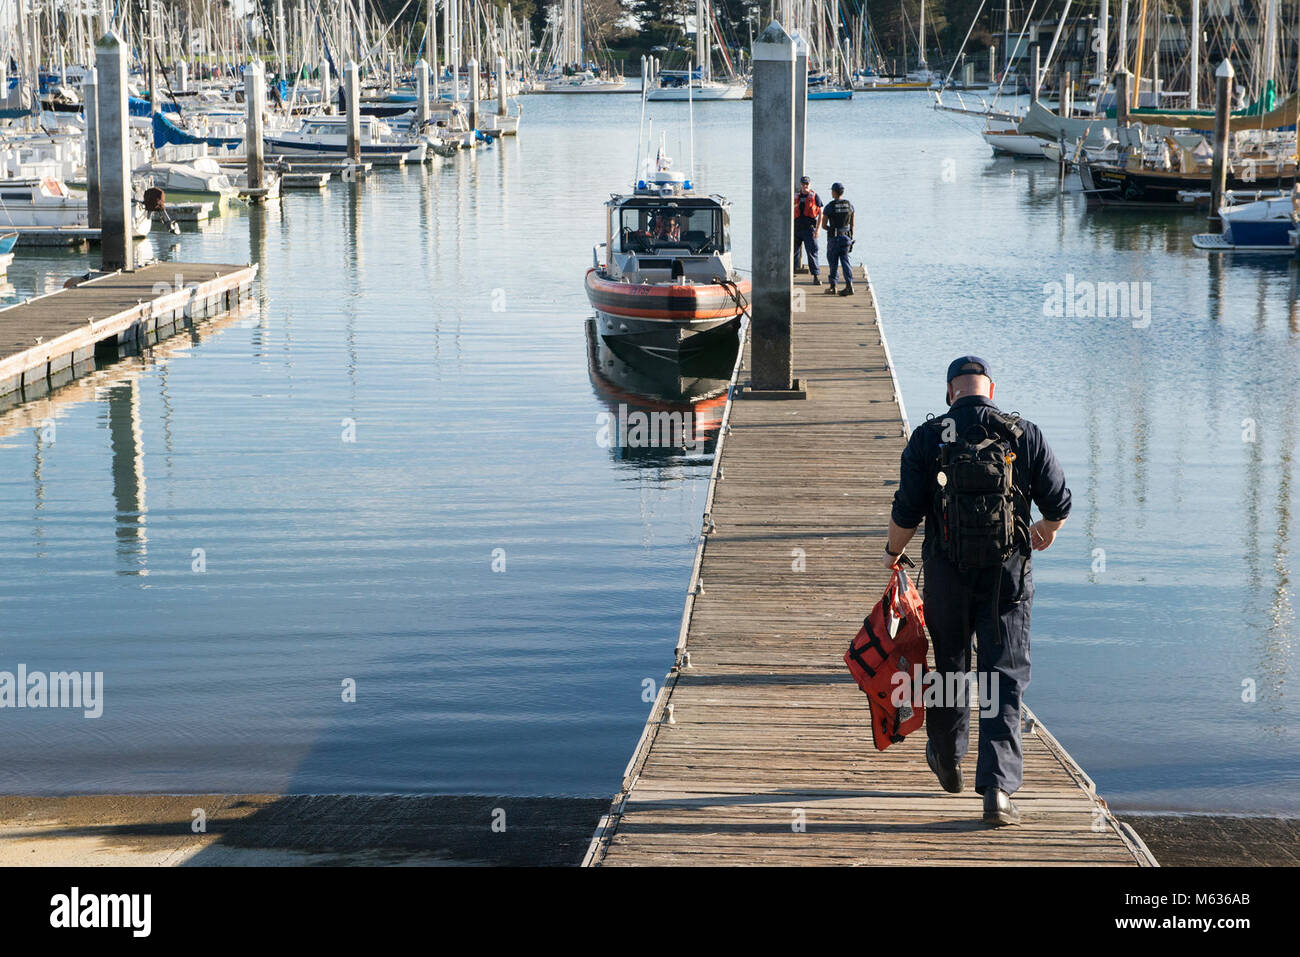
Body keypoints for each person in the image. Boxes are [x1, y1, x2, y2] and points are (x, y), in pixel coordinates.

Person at [883, 357, 1071, 827]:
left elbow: (907, 510)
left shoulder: (929, 437)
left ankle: (947, 757)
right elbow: (1058, 502)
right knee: (1002, 676)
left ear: (951, 392)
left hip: (947, 573)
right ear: (991, 389)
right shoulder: (1023, 434)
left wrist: (891, 553)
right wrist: (1046, 529)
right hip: (1007, 576)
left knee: (950, 666)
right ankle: (998, 792)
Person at [821, 183, 855, 297]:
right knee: (845, 262)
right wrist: (850, 237)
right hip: (846, 237)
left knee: (833, 262)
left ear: (834, 192)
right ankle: (849, 285)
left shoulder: (830, 206)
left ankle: (833, 287)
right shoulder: (849, 205)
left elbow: (824, 225)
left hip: (834, 238)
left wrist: (832, 230)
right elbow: (852, 225)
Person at [793, 176, 823, 285]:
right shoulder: (795, 196)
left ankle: (815, 276)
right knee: (793, 252)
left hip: (809, 229)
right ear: (800, 184)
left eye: (807, 184)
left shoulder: (815, 197)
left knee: (812, 252)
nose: (805, 186)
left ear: (810, 185)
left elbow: (820, 214)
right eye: (803, 184)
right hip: (796, 228)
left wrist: (818, 230)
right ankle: (792, 274)